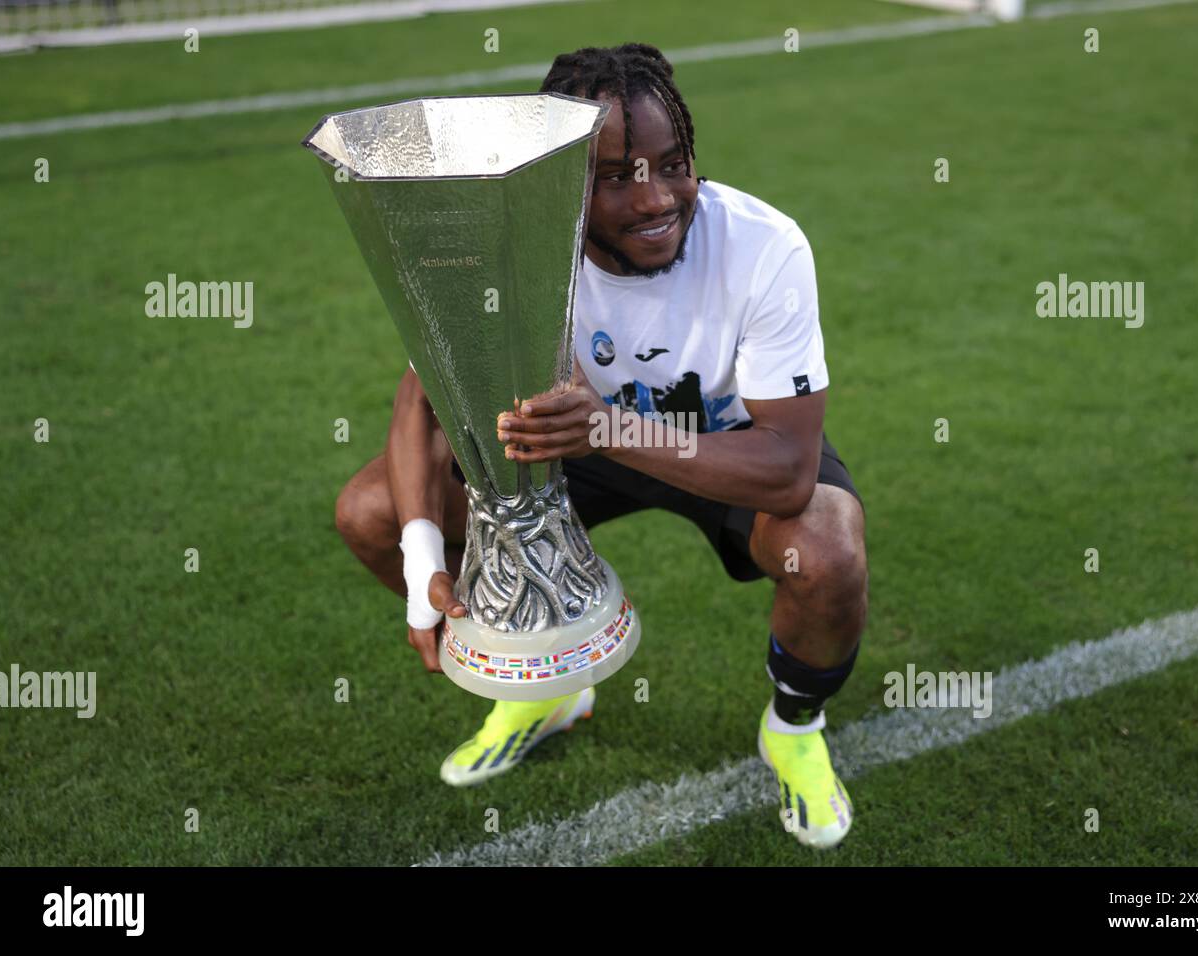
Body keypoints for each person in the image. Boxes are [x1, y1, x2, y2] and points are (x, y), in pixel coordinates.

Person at [335, 43, 867, 849]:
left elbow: (790, 471)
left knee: (826, 548)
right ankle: (546, 682)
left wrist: (611, 426)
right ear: (565, 183)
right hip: (568, 445)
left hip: (722, 446)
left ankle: (793, 728)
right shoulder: (514, 249)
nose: (655, 197)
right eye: (617, 176)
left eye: (672, 163)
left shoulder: (765, 245)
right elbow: (422, 405)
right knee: (372, 510)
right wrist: (419, 563)